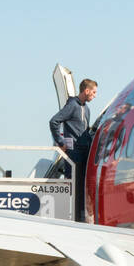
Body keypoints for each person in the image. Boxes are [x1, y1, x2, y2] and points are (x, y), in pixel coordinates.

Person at [49, 78, 97, 220]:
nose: (95, 95)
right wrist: (60, 141)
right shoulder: (72, 106)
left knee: (83, 187)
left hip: (85, 153)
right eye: (94, 92)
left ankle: (82, 217)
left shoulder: (86, 108)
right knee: (75, 188)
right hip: (74, 153)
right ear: (86, 91)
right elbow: (54, 121)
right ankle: (76, 219)